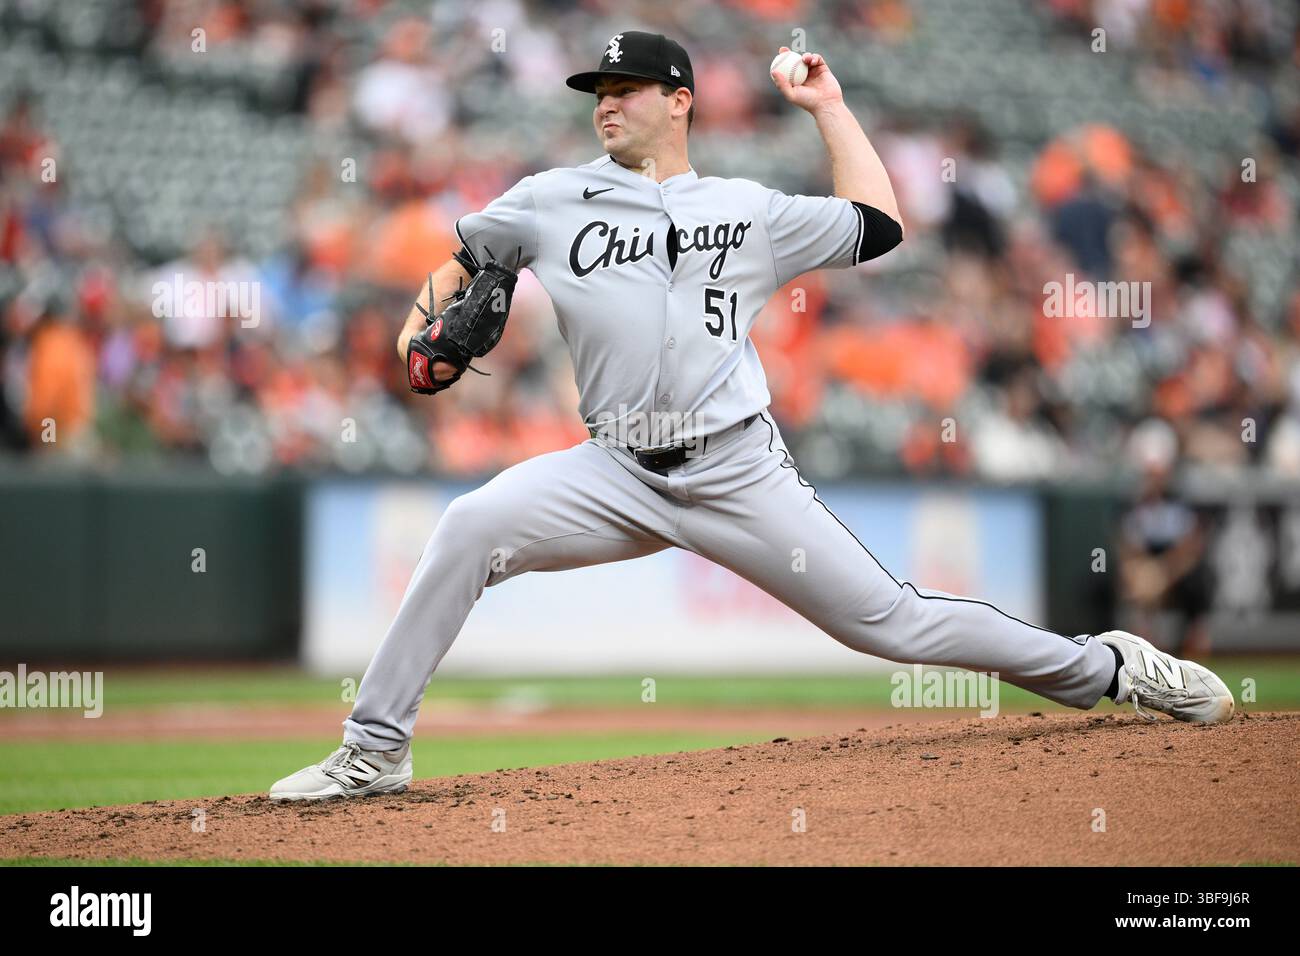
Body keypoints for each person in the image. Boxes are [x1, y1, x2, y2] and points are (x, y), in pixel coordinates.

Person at [270, 32, 1234, 802]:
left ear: (680, 100)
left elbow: (881, 222)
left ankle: (1109, 667)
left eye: (629, 86)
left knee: (894, 624)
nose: (606, 100)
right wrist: (414, 334)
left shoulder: (748, 209)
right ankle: (375, 752)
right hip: (613, 472)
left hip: (736, 469)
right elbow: (460, 264)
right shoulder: (550, 200)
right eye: (598, 88)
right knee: (468, 524)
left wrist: (828, 107)